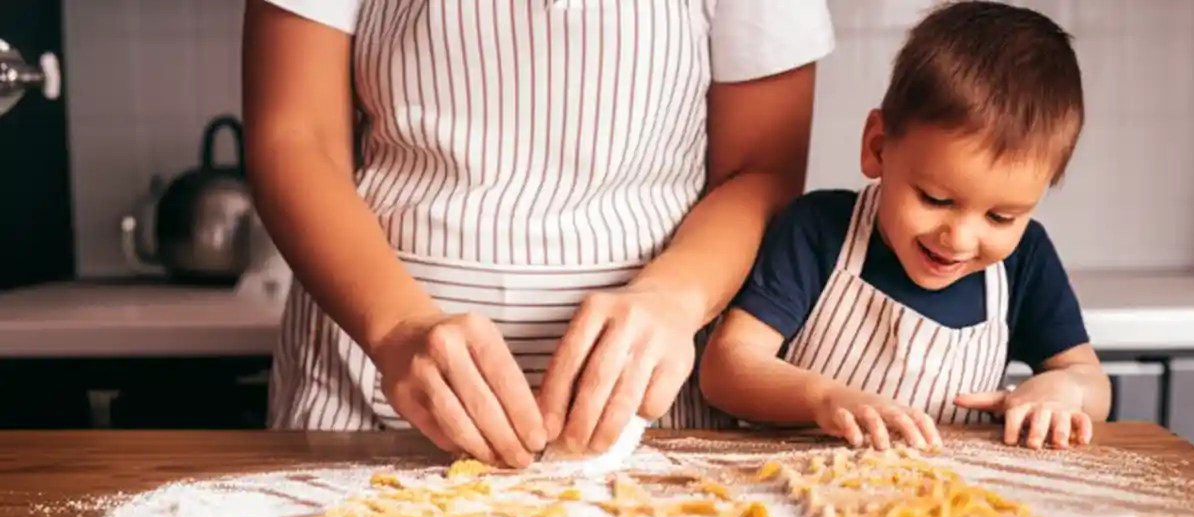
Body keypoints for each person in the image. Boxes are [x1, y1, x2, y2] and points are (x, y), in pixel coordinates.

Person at [241, 0, 835, 467]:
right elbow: (296, 140)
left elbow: (760, 168)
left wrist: (674, 300)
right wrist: (396, 326)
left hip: (643, 401)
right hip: (363, 376)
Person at [700, 1, 1109, 451]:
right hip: (795, 495)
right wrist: (824, 399)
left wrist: (1065, 391)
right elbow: (726, 369)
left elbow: (1091, 381)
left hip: (945, 507)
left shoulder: (1026, 261)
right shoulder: (817, 231)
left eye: (1000, 217)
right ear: (878, 148)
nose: (959, 237)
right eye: (935, 199)